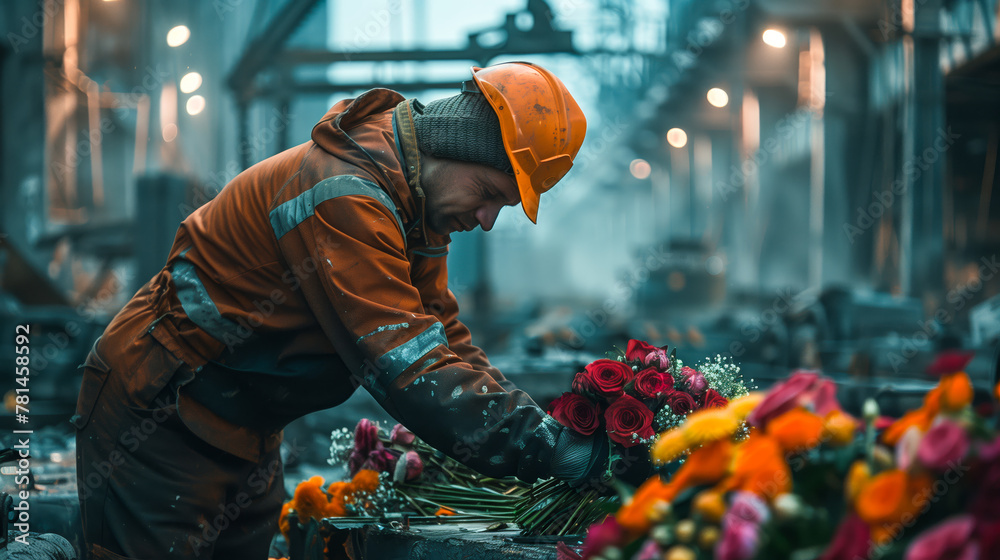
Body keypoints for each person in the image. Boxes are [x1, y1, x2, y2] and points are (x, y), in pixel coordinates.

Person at [72, 62, 630, 559]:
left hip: (244, 422)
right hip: (160, 412)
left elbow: (441, 338)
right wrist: (548, 448)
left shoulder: (416, 209)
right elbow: (407, 366)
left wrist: (548, 429)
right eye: (490, 193)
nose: (487, 219)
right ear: (456, 148)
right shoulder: (346, 197)